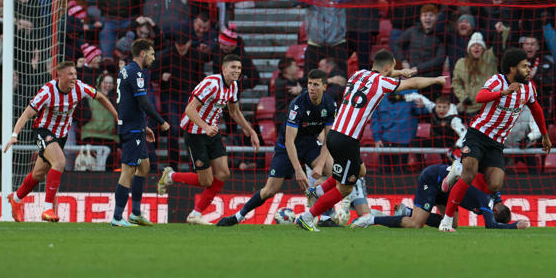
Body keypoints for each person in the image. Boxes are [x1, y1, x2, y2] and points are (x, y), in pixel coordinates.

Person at [295, 49, 446, 231]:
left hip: (335, 133)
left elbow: (382, 73)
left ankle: (316, 191)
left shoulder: (358, 74)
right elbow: (412, 83)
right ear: (389, 67)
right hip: (347, 140)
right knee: (345, 189)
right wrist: (437, 80)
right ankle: (307, 217)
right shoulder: (382, 82)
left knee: (360, 170)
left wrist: (399, 72)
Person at [438, 48, 551, 232]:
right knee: (469, 174)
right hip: (478, 134)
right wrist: (504, 92)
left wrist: (545, 135)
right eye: (524, 66)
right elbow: (480, 97)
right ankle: (447, 221)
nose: (528, 69)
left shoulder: (529, 87)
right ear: (513, 69)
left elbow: (537, 109)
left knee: (495, 184)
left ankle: (457, 169)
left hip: (497, 143)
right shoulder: (497, 81)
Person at [216, 69, 336, 226]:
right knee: (270, 190)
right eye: (309, 84)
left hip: (310, 144)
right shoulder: (297, 105)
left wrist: (320, 165)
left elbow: (328, 138)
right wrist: (298, 171)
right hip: (287, 147)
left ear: (324, 87)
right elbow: (289, 141)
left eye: (316, 85)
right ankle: (238, 216)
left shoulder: (330, 104)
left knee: (335, 172)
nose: (311, 88)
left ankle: (326, 218)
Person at [4, 61, 117, 222]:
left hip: (61, 135)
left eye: (75, 74)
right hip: (44, 131)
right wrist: (14, 134)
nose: (74, 77)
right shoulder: (48, 91)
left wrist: (117, 116)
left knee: (38, 174)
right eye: (70, 74)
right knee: (60, 162)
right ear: (60, 76)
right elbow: (27, 114)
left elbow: (99, 96)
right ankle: (48, 209)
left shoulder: (80, 87)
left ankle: (15, 199)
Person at [158, 54, 260, 225]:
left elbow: (234, 112)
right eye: (233, 67)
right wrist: (205, 127)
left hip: (211, 131)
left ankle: (195, 214)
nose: (237, 71)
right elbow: (190, 110)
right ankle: (171, 176)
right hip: (195, 131)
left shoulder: (233, 86)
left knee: (224, 173)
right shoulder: (211, 84)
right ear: (223, 69)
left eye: (239, 68)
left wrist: (251, 131)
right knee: (206, 180)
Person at [351, 163, 530, 230]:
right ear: (496, 209)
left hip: (450, 190)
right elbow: (491, 225)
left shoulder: (493, 194)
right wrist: (515, 226)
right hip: (433, 178)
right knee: (416, 224)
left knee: (453, 223)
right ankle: (371, 219)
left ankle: (407, 211)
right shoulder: (487, 201)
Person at [111, 38, 170, 227]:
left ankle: (135, 213)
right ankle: (117, 217)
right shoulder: (136, 72)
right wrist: (162, 122)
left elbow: (127, 102)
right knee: (128, 171)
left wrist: (144, 127)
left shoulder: (126, 70)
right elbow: (143, 102)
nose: (154, 58)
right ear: (143, 53)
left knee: (144, 167)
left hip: (135, 126)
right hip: (131, 129)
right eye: (152, 54)